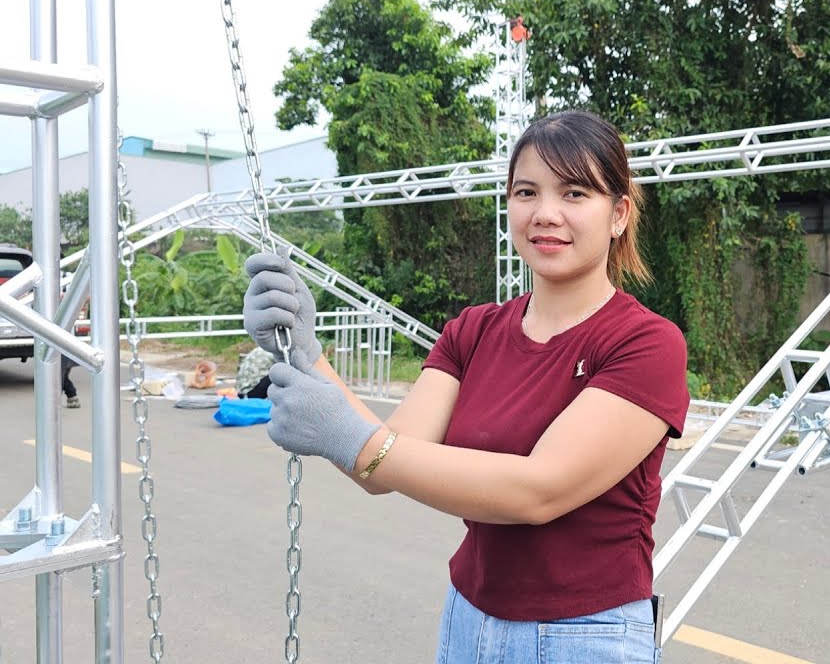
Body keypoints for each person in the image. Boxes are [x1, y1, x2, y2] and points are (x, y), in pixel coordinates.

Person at [242, 110, 689, 663]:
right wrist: (308, 355)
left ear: (618, 214)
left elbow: (538, 491)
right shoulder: (473, 331)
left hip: (586, 634)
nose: (546, 214)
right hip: (468, 621)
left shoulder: (645, 344)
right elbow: (388, 456)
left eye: (574, 193)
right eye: (526, 192)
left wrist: (352, 439)